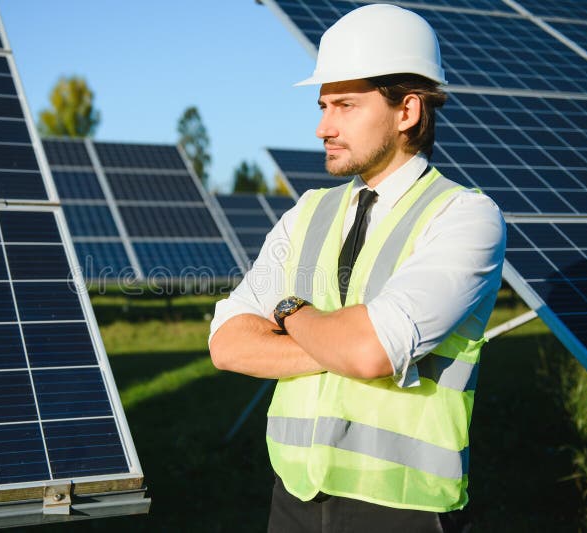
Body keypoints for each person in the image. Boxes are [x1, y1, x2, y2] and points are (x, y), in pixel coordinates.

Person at [209, 3, 506, 532]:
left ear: (407, 111)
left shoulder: (464, 217)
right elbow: (227, 345)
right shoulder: (308, 212)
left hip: (404, 509)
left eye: (344, 105)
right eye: (324, 106)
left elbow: (370, 350)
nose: (323, 126)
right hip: (293, 498)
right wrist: (334, 341)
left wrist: (286, 306)